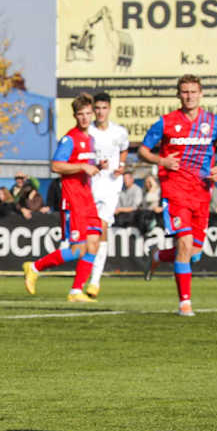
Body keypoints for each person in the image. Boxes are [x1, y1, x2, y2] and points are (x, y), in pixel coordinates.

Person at [137, 74, 217, 316]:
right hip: (175, 191)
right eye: (184, 92)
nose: (189, 96)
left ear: (201, 93)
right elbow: (142, 150)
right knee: (184, 243)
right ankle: (185, 303)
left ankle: (159, 255)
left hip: (202, 193)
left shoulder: (212, 122)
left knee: (194, 251)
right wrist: (161, 160)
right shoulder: (166, 122)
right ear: (178, 94)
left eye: (193, 91)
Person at [22, 93, 102, 302]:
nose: (85, 118)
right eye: (80, 114)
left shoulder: (90, 139)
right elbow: (56, 165)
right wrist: (82, 166)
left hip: (87, 199)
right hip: (73, 199)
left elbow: (83, 166)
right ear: (75, 116)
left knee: (94, 244)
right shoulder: (69, 139)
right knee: (77, 250)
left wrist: (97, 167)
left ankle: (76, 291)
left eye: (88, 113)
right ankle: (34, 267)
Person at [85, 91, 130, 298]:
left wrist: (121, 166)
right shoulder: (88, 132)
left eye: (104, 108)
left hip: (111, 185)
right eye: (97, 108)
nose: (100, 112)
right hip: (91, 184)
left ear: (109, 109)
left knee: (102, 227)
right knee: (88, 234)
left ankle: (94, 281)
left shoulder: (119, 132)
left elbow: (123, 149)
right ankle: (86, 276)